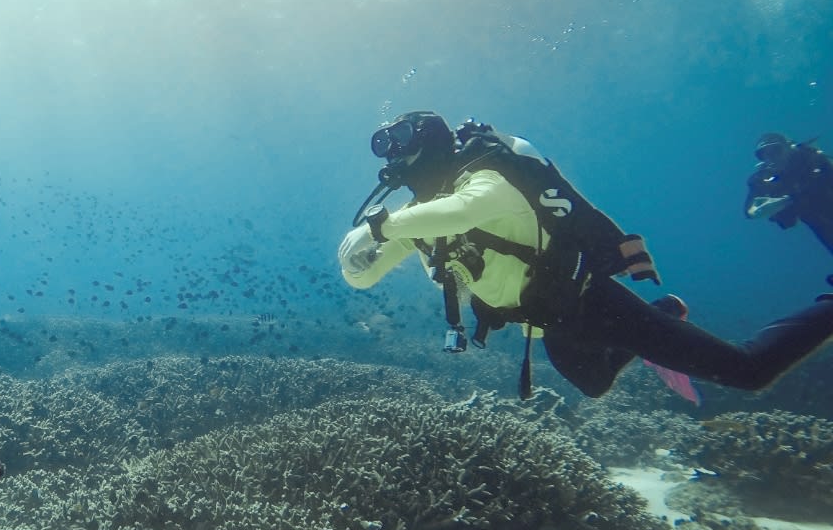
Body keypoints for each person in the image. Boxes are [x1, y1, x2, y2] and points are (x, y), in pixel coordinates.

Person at [338, 111, 833, 399]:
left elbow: (464, 211)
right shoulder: (418, 215)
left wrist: (380, 226)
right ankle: (665, 313)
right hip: (548, 318)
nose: (393, 157)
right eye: (386, 148)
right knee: (594, 384)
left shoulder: (488, 176)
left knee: (748, 370)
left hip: (588, 301)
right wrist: (355, 260)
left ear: (429, 142)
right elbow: (366, 275)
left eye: (400, 144)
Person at [744, 132, 833, 255]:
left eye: (776, 150)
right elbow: (751, 207)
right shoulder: (767, 178)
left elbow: (821, 184)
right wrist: (755, 212)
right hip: (819, 222)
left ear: (790, 147)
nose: (771, 157)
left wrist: (787, 200)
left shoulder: (812, 159)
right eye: (763, 155)